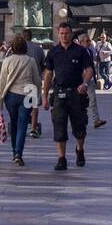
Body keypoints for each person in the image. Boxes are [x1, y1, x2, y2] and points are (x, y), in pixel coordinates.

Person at [42, 23, 93, 171]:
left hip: (77, 93)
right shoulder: (53, 52)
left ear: (71, 34)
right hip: (59, 93)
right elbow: (48, 74)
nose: (64, 36)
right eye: (62, 33)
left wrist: (84, 83)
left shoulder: (81, 51)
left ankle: (80, 150)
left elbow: (89, 69)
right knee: (59, 126)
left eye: (67, 33)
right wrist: (44, 97)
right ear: (58, 34)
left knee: (80, 125)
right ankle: (61, 158)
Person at [0, 34, 41, 166]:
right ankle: (18, 153)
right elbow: (37, 80)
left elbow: (2, 82)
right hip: (27, 94)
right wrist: (37, 96)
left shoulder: (7, 61)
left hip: (11, 95)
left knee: (14, 123)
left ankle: (13, 151)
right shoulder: (30, 60)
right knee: (23, 124)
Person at [76, 33, 106, 129]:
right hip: (80, 79)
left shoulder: (89, 51)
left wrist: (94, 76)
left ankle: (96, 120)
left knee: (92, 100)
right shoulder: (77, 52)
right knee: (77, 101)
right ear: (81, 42)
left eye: (89, 40)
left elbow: (91, 66)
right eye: (87, 41)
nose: (89, 42)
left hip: (90, 79)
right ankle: (74, 119)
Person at [22, 29, 46, 137]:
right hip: (35, 80)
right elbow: (43, 65)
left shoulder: (19, 48)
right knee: (34, 104)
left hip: (21, 81)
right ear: (31, 37)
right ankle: (33, 128)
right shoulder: (38, 49)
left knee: (24, 104)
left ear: (23, 37)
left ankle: (23, 125)